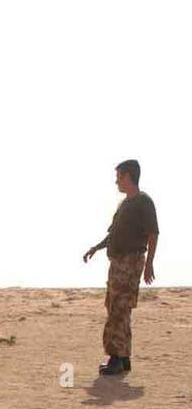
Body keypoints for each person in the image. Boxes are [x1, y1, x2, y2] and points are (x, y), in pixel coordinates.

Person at [83, 159, 159, 376]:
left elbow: (153, 233)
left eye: (119, 177)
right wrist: (96, 248)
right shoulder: (125, 204)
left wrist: (149, 264)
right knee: (116, 306)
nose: (116, 181)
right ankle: (123, 358)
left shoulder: (143, 202)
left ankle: (116, 357)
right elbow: (114, 234)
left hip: (130, 262)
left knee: (119, 308)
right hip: (118, 262)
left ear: (129, 176)